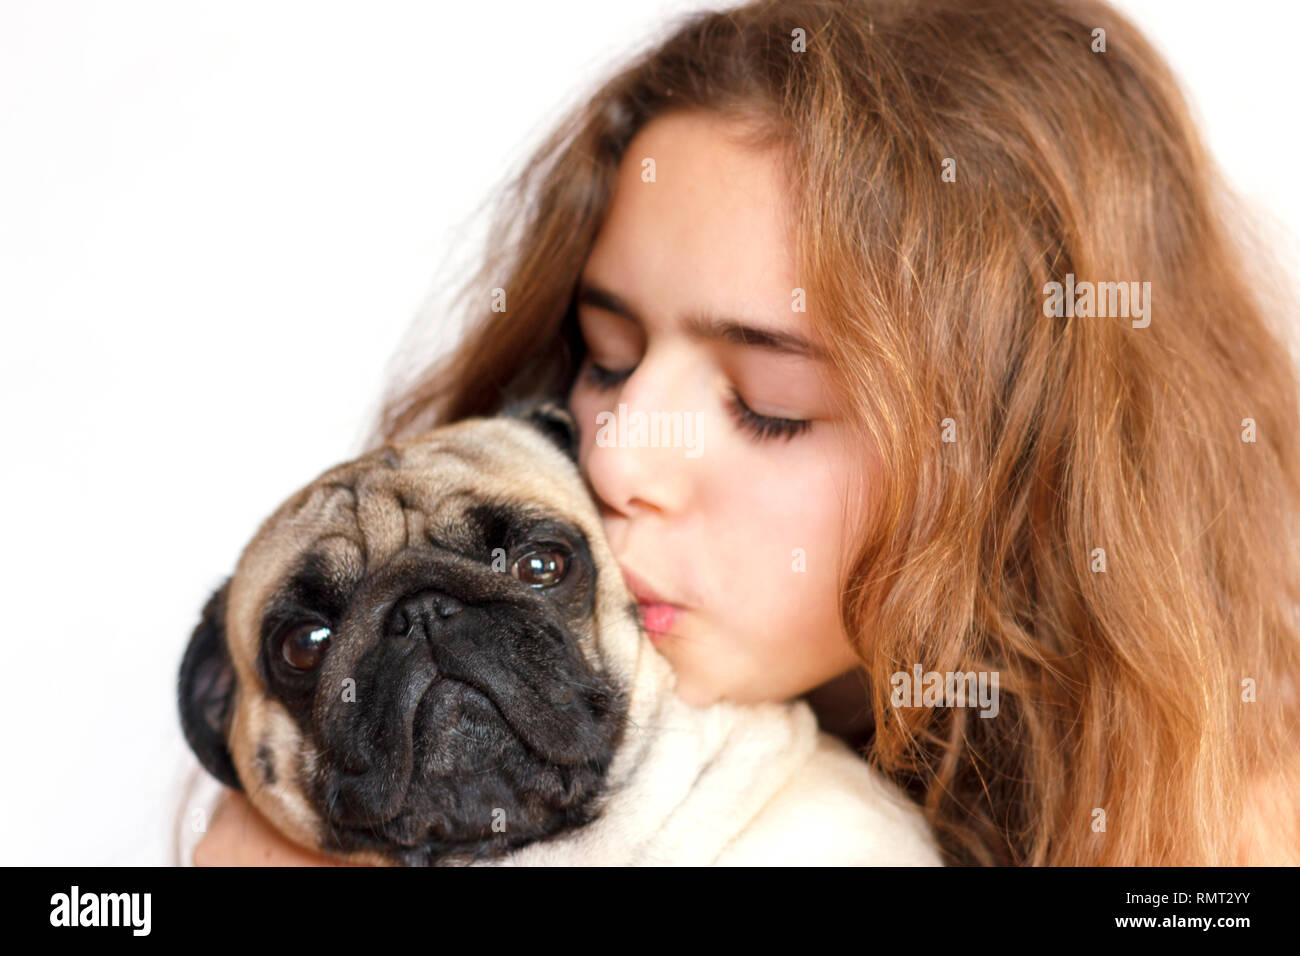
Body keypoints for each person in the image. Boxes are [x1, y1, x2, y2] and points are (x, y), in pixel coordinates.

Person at [193, 0, 1300, 866]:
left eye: (771, 402)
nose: (617, 452)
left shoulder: (1227, 834)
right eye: (607, 358)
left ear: (1023, 466)